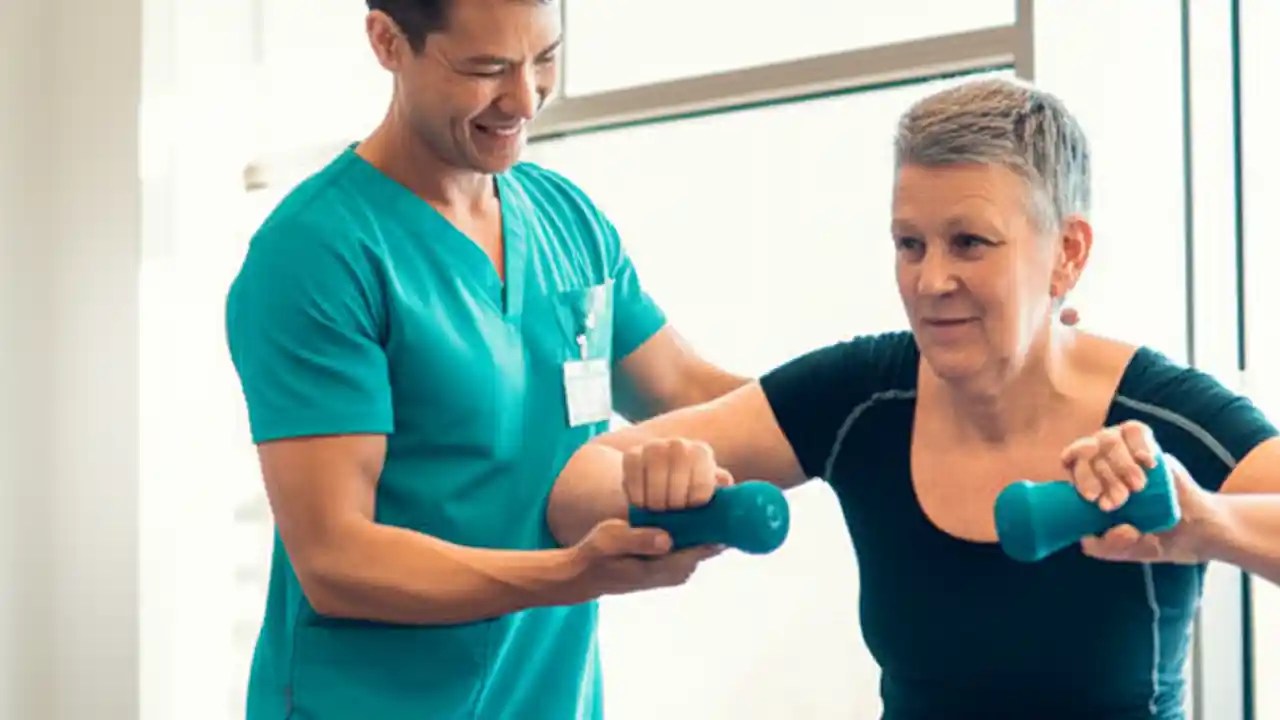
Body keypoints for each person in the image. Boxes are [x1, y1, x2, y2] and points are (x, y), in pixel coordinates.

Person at [546, 77, 1280, 720]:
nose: (930, 282)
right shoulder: (863, 397)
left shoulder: (1159, 415)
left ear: (1068, 252)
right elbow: (575, 492)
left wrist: (1208, 521)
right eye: (909, 244)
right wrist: (648, 477)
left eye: (969, 243)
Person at [223, 1, 754, 718]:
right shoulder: (317, 253)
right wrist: (571, 574)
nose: (525, 98)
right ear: (387, 41)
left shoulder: (566, 217)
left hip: (546, 698)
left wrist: (872, 402)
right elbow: (336, 561)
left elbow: (687, 388)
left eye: (544, 59)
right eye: (486, 69)